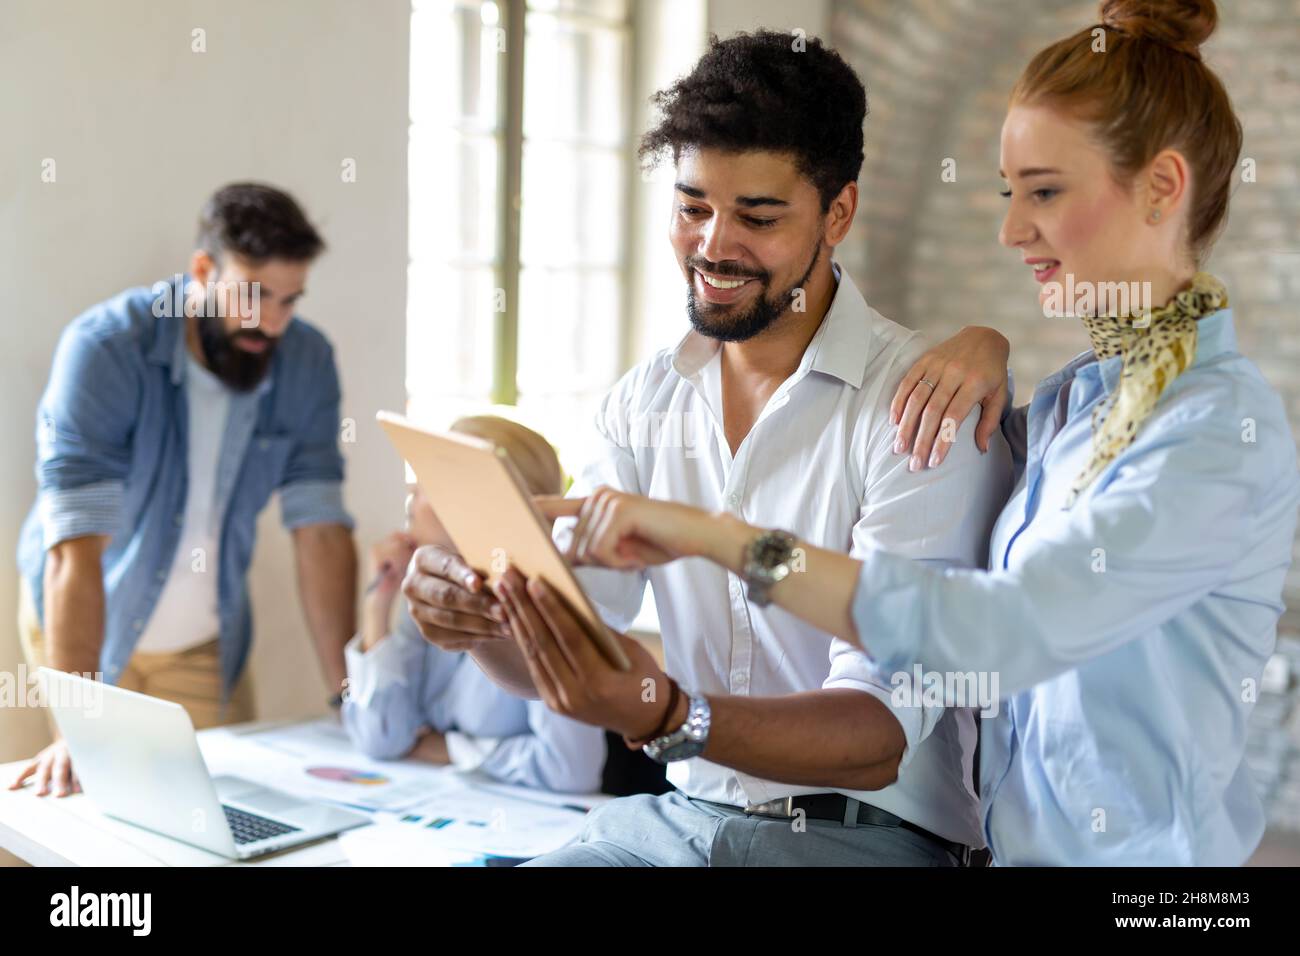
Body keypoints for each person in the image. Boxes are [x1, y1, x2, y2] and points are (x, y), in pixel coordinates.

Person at [513, 0, 1300, 866]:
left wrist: (712, 540)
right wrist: (985, 344)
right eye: (1011, 193)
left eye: (1044, 191)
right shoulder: (1078, 404)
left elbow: (1001, 629)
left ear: (1162, 187)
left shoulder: (1217, 427)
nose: (1010, 230)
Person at [404, 31, 1012, 866]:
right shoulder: (643, 402)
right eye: (693, 208)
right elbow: (575, 647)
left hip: (864, 838)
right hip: (681, 816)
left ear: (839, 213)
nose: (714, 246)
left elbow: (877, 738)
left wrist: (669, 714)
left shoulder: (919, 407)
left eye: (758, 216)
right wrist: (476, 620)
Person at [11, 183, 358, 798]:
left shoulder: (306, 362)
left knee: (209, 818)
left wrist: (348, 698)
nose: (272, 323)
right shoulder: (107, 349)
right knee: (92, 801)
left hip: (205, 639)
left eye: (289, 300)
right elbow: (74, 548)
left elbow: (321, 529)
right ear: (203, 270)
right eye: (254, 295)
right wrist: (80, 724)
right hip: (87, 619)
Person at [341, 416, 606, 793]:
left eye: (425, 486)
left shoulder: (548, 604)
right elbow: (381, 738)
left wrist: (451, 749)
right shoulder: (431, 595)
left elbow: (571, 770)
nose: (411, 501)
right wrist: (378, 603)